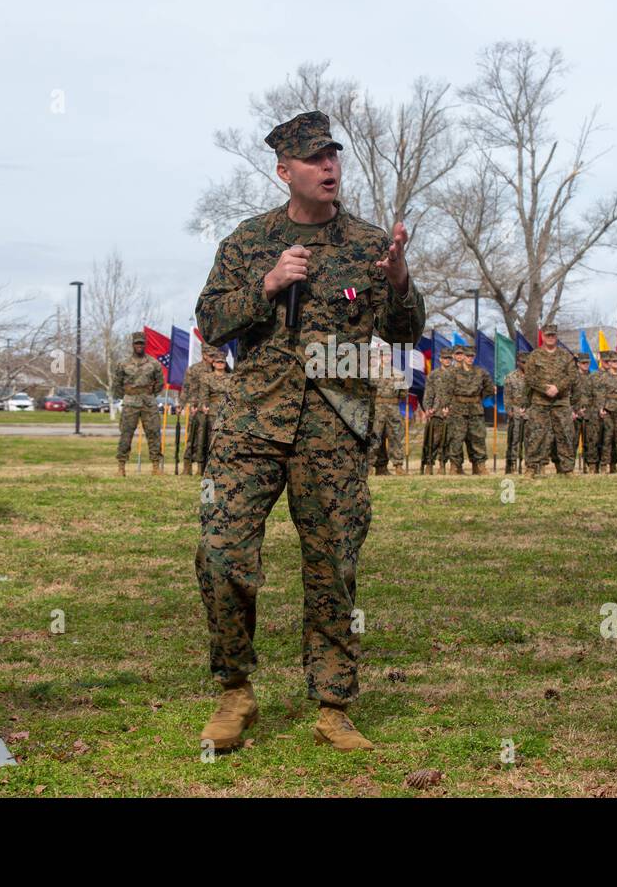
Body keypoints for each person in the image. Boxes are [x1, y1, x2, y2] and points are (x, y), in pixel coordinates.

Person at [194, 111, 425, 752]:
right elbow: (211, 321)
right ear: (284, 171)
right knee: (221, 556)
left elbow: (404, 332)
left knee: (332, 566)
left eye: (334, 156)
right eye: (314, 159)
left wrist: (400, 279)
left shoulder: (369, 243)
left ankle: (332, 704)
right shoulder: (248, 241)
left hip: (334, 424)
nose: (329, 168)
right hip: (253, 422)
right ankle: (235, 691)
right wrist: (267, 285)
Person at [524, 325, 576, 477]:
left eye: (553, 335)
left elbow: (572, 375)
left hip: (561, 402)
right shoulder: (535, 355)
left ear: (556, 336)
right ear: (543, 337)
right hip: (540, 402)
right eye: (548, 335)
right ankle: (532, 468)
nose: (551, 338)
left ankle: (567, 469)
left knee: (565, 435)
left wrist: (557, 387)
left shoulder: (566, 356)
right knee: (537, 435)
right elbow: (529, 377)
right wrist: (544, 388)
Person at [111, 332, 165, 476]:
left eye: (141, 343)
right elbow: (117, 384)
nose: (139, 346)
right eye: (137, 343)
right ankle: (121, 467)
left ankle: (155, 466)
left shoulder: (154, 363)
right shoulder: (123, 364)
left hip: (148, 402)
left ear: (145, 345)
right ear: (133, 345)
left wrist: (149, 393)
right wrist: (125, 395)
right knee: (126, 435)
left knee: (154, 434)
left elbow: (160, 383)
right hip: (130, 402)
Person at [445, 342, 492, 474]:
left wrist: (478, 398)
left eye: (472, 356)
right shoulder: (453, 372)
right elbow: (447, 391)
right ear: (463, 356)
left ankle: (480, 466)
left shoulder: (481, 372)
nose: (470, 358)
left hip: (475, 410)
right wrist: (446, 406)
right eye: (467, 356)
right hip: (458, 410)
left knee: (478, 438)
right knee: (456, 438)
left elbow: (489, 388)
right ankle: (455, 466)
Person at [369, 348, 407, 476]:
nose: (386, 357)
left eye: (388, 355)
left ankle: (398, 466)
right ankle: (369, 466)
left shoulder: (399, 374)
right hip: (377, 409)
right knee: (374, 437)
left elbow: (403, 393)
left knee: (396, 437)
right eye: (383, 355)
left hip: (393, 409)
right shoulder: (372, 373)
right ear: (380, 357)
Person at [594, 354, 617, 473]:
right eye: (613, 361)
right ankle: (604, 465)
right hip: (608, 410)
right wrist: (601, 407)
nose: (616, 363)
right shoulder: (603, 377)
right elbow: (600, 394)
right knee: (607, 438)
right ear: (609, 363)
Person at [180, 350, 214, 476]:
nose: (213, 358)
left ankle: (202, 467)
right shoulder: (194, 369)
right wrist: (181, 404)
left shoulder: (217, 370)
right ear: (204, 354)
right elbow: (186, 388)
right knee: (192, 438)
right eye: (211, 355)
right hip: (195, 407)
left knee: (206, 439)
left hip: (211, 408)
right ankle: (187, 466)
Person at [503, 352, 529, 474]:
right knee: (514, 439)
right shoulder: (511, 377)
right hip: (515, 410)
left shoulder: (533, 377)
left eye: (527, 362)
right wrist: (510, 411)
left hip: (530, 411)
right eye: (523, 362)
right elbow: (507, 396)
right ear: (518, 362)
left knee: (530, 439)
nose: (525, 364)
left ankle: (530, 465)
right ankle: (512, 463)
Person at [573, 353, 597, 472]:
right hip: (575, 414)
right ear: (578, 364)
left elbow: (597, 396)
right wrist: (574, 410)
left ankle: (591, 465)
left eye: (587, 363)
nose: (586, 365)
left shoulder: (593, 378)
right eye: (583, 363)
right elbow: (568, 395)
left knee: (590, 441)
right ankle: (569, 466)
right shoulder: (572, 378)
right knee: (573, 441)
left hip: (590, 413)